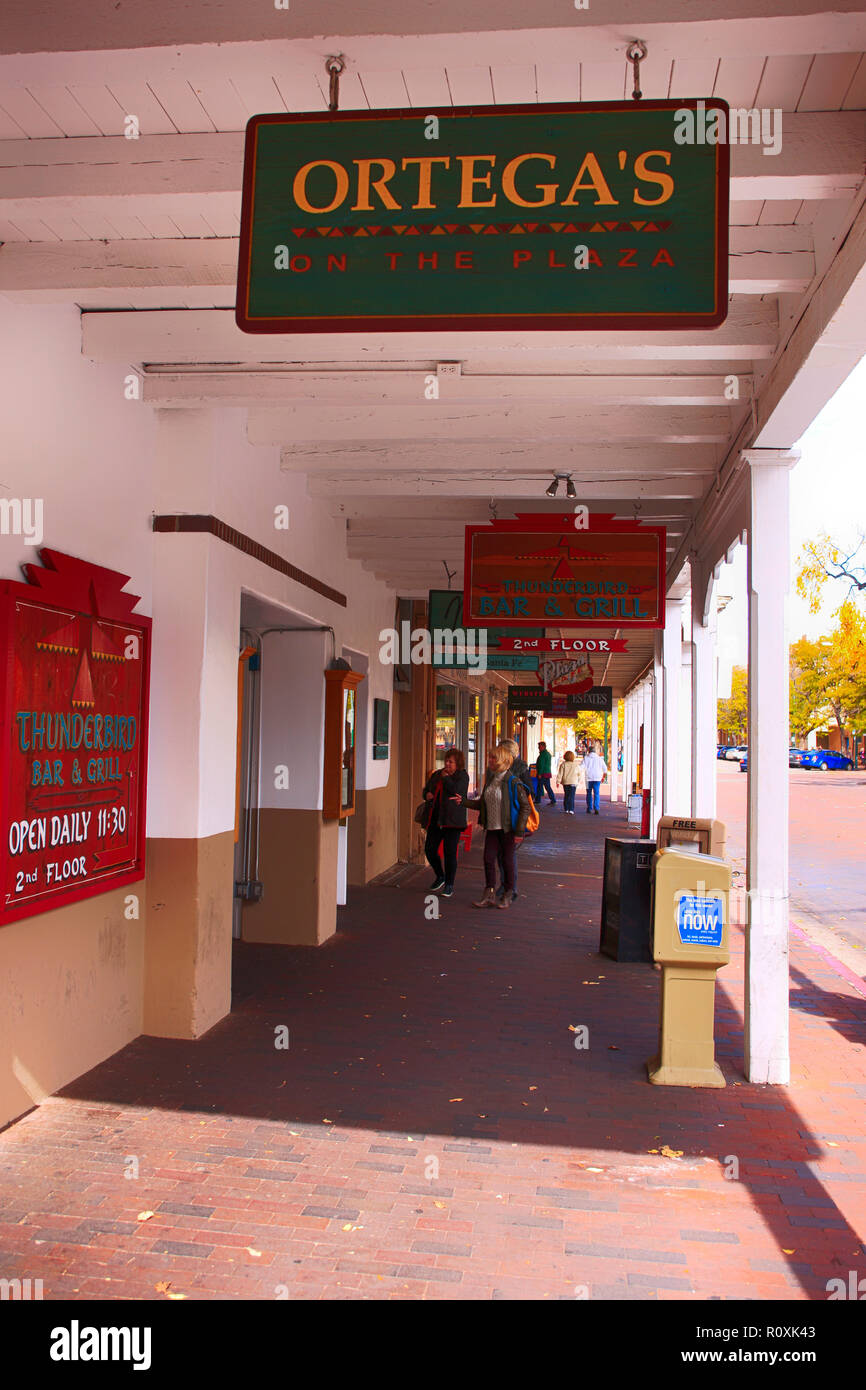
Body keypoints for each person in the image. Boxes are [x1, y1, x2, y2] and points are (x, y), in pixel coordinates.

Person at [466, 743, 529, 910]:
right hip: (492, 828)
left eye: (493, 757)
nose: (490, 760)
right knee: (488, 859)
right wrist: (463, 802)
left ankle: (508, 893)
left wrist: (520, 831)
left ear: (502, 760)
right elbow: (482, 804)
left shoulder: (513, 782)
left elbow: (525, 806)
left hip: (508, 829)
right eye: (490, 757)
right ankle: (489, 892)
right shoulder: (491, 780)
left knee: (507, 861)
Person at [421, 749, 469, 898]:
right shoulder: (437, 774)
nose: (447, 764)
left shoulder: (462, 776)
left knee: (450, 853)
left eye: (451, 762)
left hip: (452, 820)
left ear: (457, 763)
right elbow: (426, 789)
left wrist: (446, 779)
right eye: (446, 761)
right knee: (429, 849)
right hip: (436, 819)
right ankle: (440, 876)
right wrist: (426, 794)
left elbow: (456, 791)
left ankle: (449, 884)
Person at [499, 738, 533, 901]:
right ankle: (504, 884)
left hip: (513, 817)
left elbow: (528, 791)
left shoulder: (520, 769)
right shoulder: (497, 768)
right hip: (498, 816)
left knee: (508, 854)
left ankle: (511, 888)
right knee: (499, 854)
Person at [583, 741, 608, 815]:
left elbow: (581, 767)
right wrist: (603, 777)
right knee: (596, 793)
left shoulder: (586, 758)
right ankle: (596, 808)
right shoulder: (600, 759)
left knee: (588, 793)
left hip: (588, 778)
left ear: (589, 751)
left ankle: (589, 808)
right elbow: (605, 770)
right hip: (597, 778)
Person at [557, 749, 580, 814]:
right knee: (572, 796)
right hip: (573, 782)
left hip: (566, 782)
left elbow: (560, 773)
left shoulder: (563, 764)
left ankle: (566, 808)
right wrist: (578, 780)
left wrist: (558, 781)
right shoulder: (576, 764)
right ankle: (571, 809)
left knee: (566, 795)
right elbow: (579, 773)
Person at [534, 741, 556, 806]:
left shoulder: (542, 755)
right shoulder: (548, 754)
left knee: (539, 787)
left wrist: (539, 773)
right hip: (547, 773)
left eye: (539, 747)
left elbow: (541, 765)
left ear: (543, 746)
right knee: (547, 787)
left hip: (543, 773)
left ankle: (538, 800)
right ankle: (553, 800)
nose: (538, 748)